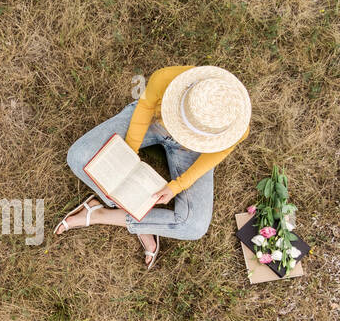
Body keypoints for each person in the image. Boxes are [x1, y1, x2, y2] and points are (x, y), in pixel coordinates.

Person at [55, 65, 251, 269]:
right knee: (79, 156)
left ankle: (101, 214)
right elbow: (145, 109)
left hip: (192, 151)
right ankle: (140, 216)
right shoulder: (166, 77)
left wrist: (177, 186)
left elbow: (212, 157)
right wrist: (127, 153)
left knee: (194, 226)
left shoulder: (235, 126)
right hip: (153, 120)